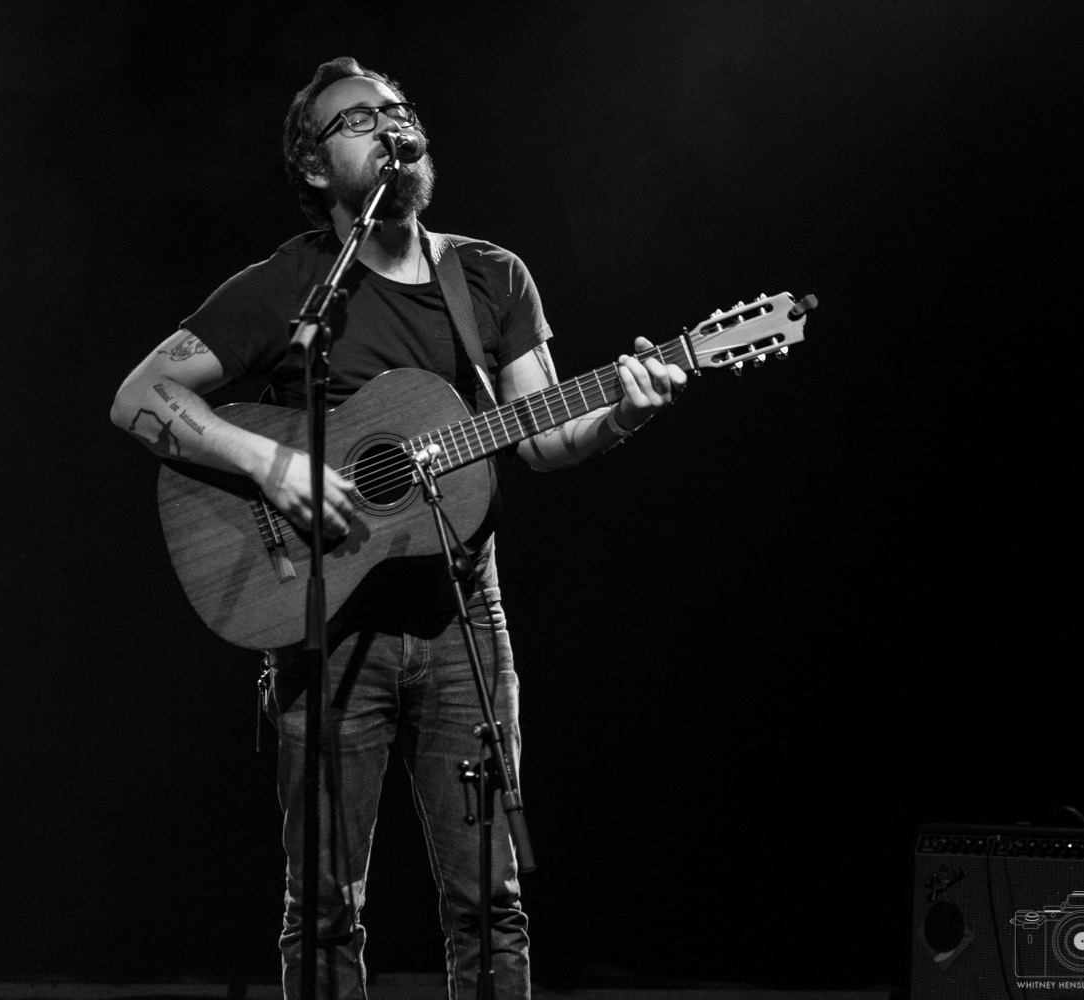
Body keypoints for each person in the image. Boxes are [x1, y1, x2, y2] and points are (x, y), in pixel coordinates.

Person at [110, 56, 685, 1000]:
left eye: (400, 110)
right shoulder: (290, 287)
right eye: (358, 118)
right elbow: (142, 395)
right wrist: (272, 462)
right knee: (323, 913)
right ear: (310, 165)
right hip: (325, 627)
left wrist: (627, 407)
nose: (389, 124)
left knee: (491, 908)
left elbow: (540, 439)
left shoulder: (491, 277)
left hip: (465, 621)